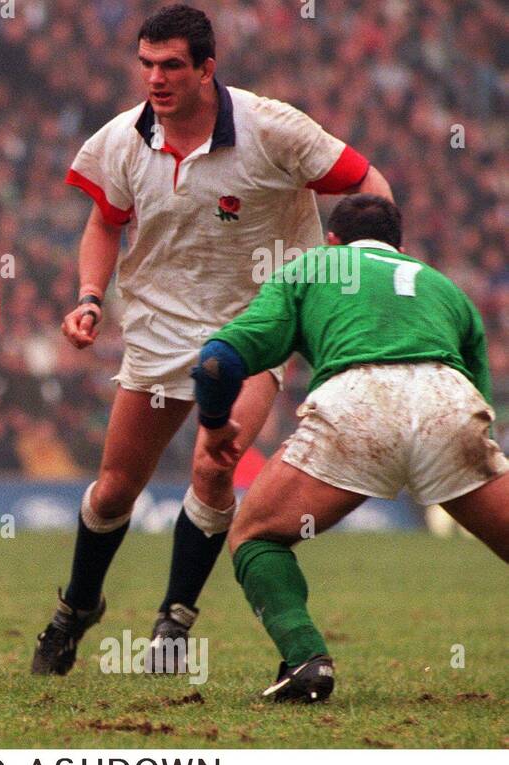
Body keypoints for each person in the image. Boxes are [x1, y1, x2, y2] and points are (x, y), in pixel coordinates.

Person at [31, 4, 395, 676]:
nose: (156, 79)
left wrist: (362, 266)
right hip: (157, 330)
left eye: (172, 65)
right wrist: (88, 298)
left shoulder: (273, 129)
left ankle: (175, 619)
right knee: (114, 490)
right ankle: (78, 608)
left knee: (213, 464)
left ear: (206, 69)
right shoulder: (120, 139)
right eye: (147, 65)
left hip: (256, 329)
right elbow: (105, 222)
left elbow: (367, 184)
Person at [193, 194, 508, 702]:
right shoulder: (443, 286)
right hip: (449, 401)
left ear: (334, 239)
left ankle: (306, 660)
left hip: (358, 403)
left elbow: (216, 362)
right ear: (398, 247)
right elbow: (480, 397)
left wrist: (214, 423)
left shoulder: (313, 265)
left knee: (255, 536)